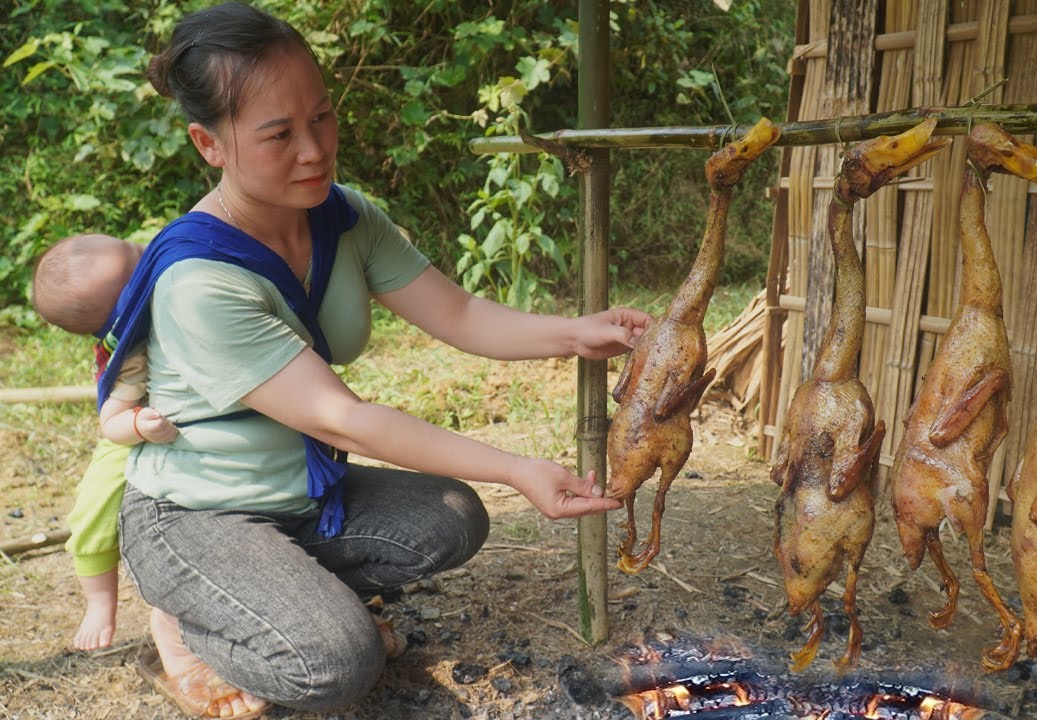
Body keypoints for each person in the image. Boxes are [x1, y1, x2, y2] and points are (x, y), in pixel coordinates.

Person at [110, 3, 650, 718]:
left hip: (300, 497)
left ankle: (274, 595)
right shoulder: (200, 280)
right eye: (279, 134)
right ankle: (189, 625)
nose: (314, 149)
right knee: (337, 664)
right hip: (197, 513)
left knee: (455, 517)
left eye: (323, 118)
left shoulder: (344, 216)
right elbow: (348, 421)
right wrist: (519, 468)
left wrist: (575, 333)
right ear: (208, 143)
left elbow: (458, 313)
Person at [30, 233, 180, 652]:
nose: (149, 258)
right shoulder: (129, 349)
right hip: (136, 424)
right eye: (137, 268)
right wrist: (138, 426)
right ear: (118, 313)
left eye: (136, 248)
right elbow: (111, 423)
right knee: (92, 510)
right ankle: (99, 601)